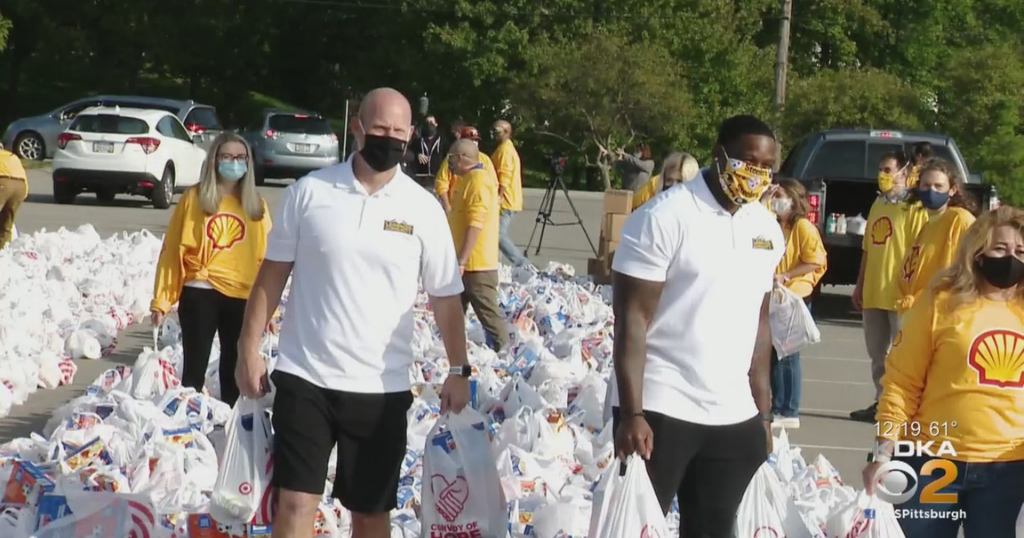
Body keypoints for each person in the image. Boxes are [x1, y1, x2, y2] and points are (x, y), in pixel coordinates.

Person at [234, 88, 471, 538]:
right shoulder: (310, 193)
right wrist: (249, 347)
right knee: (296, 503)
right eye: (380, 129)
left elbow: (445, 297)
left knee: (369, 511)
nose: (390, 139)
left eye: (399, 132)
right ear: (358, 128)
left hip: (381, 388)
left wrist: (459, 368)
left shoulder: (423, 209)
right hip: (306, 377)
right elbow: (271, 277)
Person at [610, 114, 784, 537]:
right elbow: (632, 320)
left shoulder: (765, 228)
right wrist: (632, 412)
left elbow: (760, 325)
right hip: (661, 408)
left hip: (733, 413)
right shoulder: (663, 217)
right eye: (747, 161)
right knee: (639, 528)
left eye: (766, 166)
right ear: (718, 156)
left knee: (714, 529)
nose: (756, 174)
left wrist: (763, 412)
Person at [863, 205, 1024, 538]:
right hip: (933, 460)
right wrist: (883, 451)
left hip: (1007, 469)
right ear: (978, 253)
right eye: (1000, 248)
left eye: (1020, 251)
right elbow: (901, 382)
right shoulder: (940, 302)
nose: (1011, 258)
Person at [150, 132, 271, 406]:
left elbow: (267, 260)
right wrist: (162, 299)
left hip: (242, 297)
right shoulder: (194, 199)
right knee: (194, 369)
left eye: (240, 158)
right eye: (227, 157)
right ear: (214, 160)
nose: (234, 163)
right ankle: (189, 427)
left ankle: (228, 430)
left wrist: (268, 310)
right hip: (200, 291)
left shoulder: (257, 207)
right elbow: (173, 251)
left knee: (234, 370)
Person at [849, 151, 929, 422]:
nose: (882, 175)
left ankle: (903, 408)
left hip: (900, 295)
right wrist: (859, 285)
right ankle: (880, 402)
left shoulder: (915, 208)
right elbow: (868, 248)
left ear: (903, 174)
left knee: (901, 355)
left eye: (887, 169)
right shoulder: (878, 204)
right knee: (877, 355)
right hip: (874, 292)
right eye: (881, 169)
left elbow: (921, 253)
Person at [768, 178, 827, 430]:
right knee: (773, 352)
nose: (775, 200)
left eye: (780, 195)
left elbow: (816, 260)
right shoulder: (774, 224)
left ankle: (789, 408)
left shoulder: (803, 227)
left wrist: (788, 275)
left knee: (788, 354)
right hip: (777, 296)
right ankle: (777, 403)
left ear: (793, 199)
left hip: (794, 294)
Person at [447, 138, 508, 351]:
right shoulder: (468, 179)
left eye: (451, 158)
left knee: (488, 313)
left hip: (476, 265)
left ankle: (507, 351)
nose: (450, 163)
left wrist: (463, 259)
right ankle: (452, 351)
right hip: (465, 264)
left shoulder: (478, 182)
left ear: (462, 159)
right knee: (453, 312)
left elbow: (475, 224)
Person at [897, 158, 978, 313]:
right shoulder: (926, 227)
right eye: (926, 185)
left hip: (944, 311)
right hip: (918, 313)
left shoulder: (959, 220)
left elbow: (968, 269)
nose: (931, 190)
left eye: (938, 186)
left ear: (952, 190)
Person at [491, 120, 529, 267]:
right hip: (506, 199)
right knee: (494, 234)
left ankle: (523, 263)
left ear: (507, 132)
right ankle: (494, 264)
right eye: (493, 130)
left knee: (498, 234)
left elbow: (504, 177)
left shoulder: (505, 151)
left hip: (505, 201)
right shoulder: (504, 148)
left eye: (497, 131)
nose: (494, 134)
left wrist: (498, 198)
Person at [434, 126, 496, 212]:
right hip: (456, 209)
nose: (474, 142)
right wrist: (447, 207)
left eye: (476, 140)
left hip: (478, 208)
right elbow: (441, 184)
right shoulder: (452, 159)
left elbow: (493, 184)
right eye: (471, 139)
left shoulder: (485, 160)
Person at [631, 152, 700, 210]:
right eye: (669, 180)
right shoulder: (654, 184)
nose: (673, 186)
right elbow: (634, 205)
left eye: (679, 181)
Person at [0, 147, 28, 249]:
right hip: (21, 187)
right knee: (6, 223)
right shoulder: (12, 156)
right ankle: (3, 251)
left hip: (2, 182)